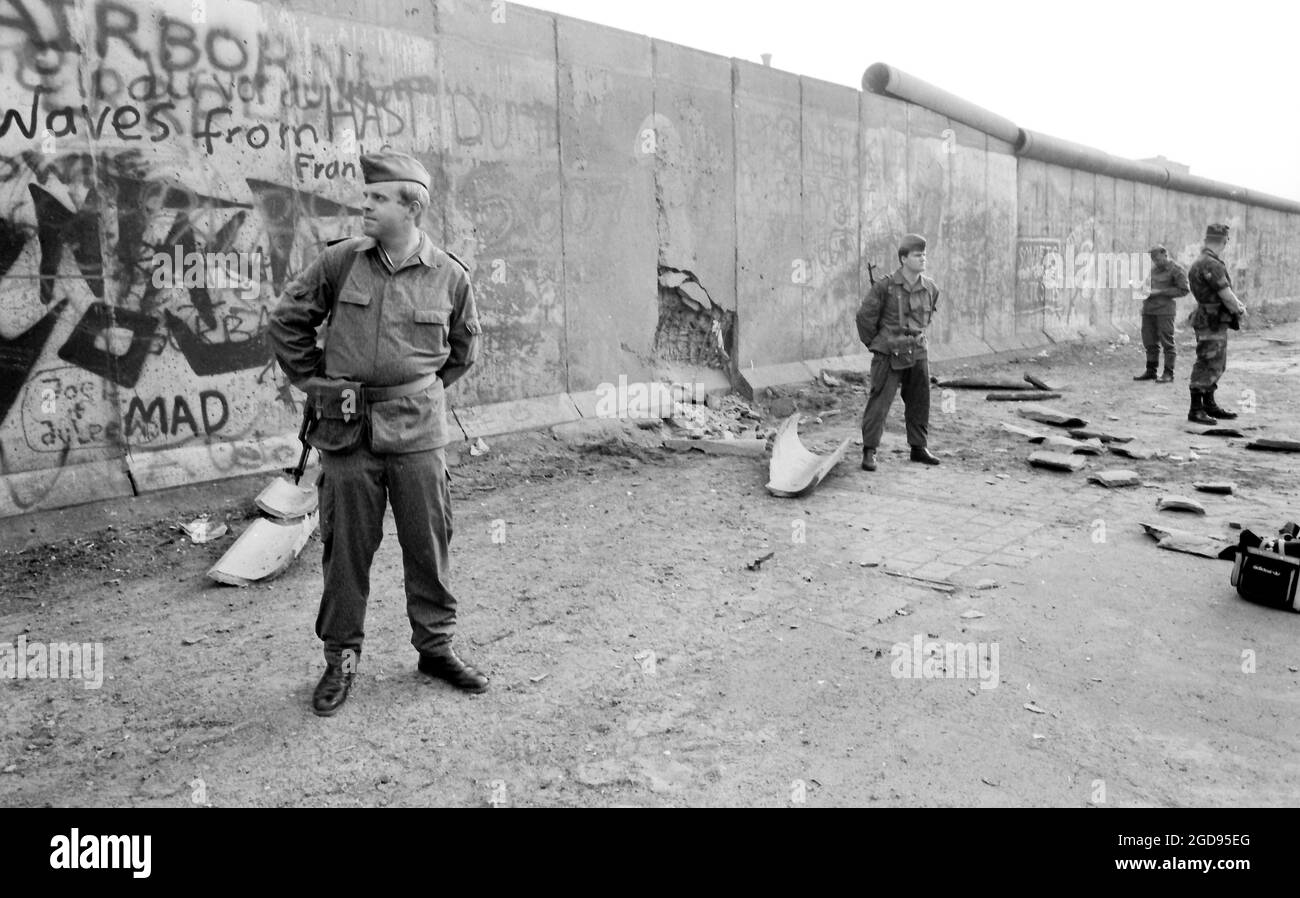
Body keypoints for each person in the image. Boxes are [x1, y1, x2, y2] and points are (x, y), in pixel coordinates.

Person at [268, 150, 486, 716]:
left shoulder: (450, 276)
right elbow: (286, 320)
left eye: (378, 198)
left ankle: (435, 649)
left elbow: (463, 352)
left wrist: (416, 390)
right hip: (347, 435)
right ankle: (340, 658)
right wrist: (315, 379)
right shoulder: (340, 262)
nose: (365, 205)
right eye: (366, 196)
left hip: (418, 435)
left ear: (410, 207)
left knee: (428, 544)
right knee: (345, 552)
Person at [855, 233, 941, 471]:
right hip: (888, 354)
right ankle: (869, 450)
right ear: (904, 258)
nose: (922, 259)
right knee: (880, 402)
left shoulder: (930, 287)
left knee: (919, 401)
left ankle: (918, 448)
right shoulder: (886, 287)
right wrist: (877, 343)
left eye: (924, 254)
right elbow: (864, 317)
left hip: (918, 352)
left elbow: (928, 315)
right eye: (917, 255)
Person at [1185, 223, 1247, 425]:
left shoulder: (1200, 262)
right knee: (1208, 362)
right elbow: (1226, 295)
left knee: (1214, 361)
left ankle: (1208, 405)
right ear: (1224, 240)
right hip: (1211, 319)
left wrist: (1236, 304)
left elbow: (1225, 293)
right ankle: (1196, 409)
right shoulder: (1212, 264)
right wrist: (1238, 308)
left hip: (1207, 317)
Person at [1133, 245, 1189, 383]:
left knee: (1167, 342)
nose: (1156, 262)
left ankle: (1168, 373)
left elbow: (1184, 290)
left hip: (1165, 311)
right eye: (1153, 260)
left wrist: (1161, 292)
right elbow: (1147, 287)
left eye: (1157, 259)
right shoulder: (1153, 270)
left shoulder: (1176, 270)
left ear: (1165, 254)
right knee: (1149, 342)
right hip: (1149, 310)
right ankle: (1151, 371)